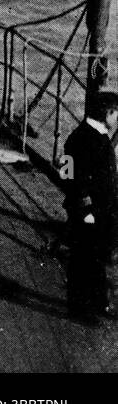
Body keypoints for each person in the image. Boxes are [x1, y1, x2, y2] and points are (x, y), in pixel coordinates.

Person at [61, 90, 118, 324]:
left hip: (101, 212)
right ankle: (78, 307)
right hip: (89, 213)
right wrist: (85, 209)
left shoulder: (90, 135)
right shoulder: (85, 140)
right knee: (82, 259)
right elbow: (70, 177)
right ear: (108, 113)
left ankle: (95, 301)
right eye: (116, 114)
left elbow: (66, 172)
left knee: (95, 258)